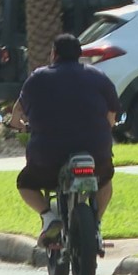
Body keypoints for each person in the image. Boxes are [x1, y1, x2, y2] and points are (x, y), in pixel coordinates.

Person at [8, 33, 121, 246]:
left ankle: (49, 217)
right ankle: (95, 225)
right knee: (104, 180)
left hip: (48, 156)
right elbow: (112, 117)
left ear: (54, 54)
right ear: (80, 54)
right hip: (95, 152)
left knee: (26, 183)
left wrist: (17, 124)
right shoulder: (99, 77)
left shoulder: (37, 78)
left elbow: (18, 112)